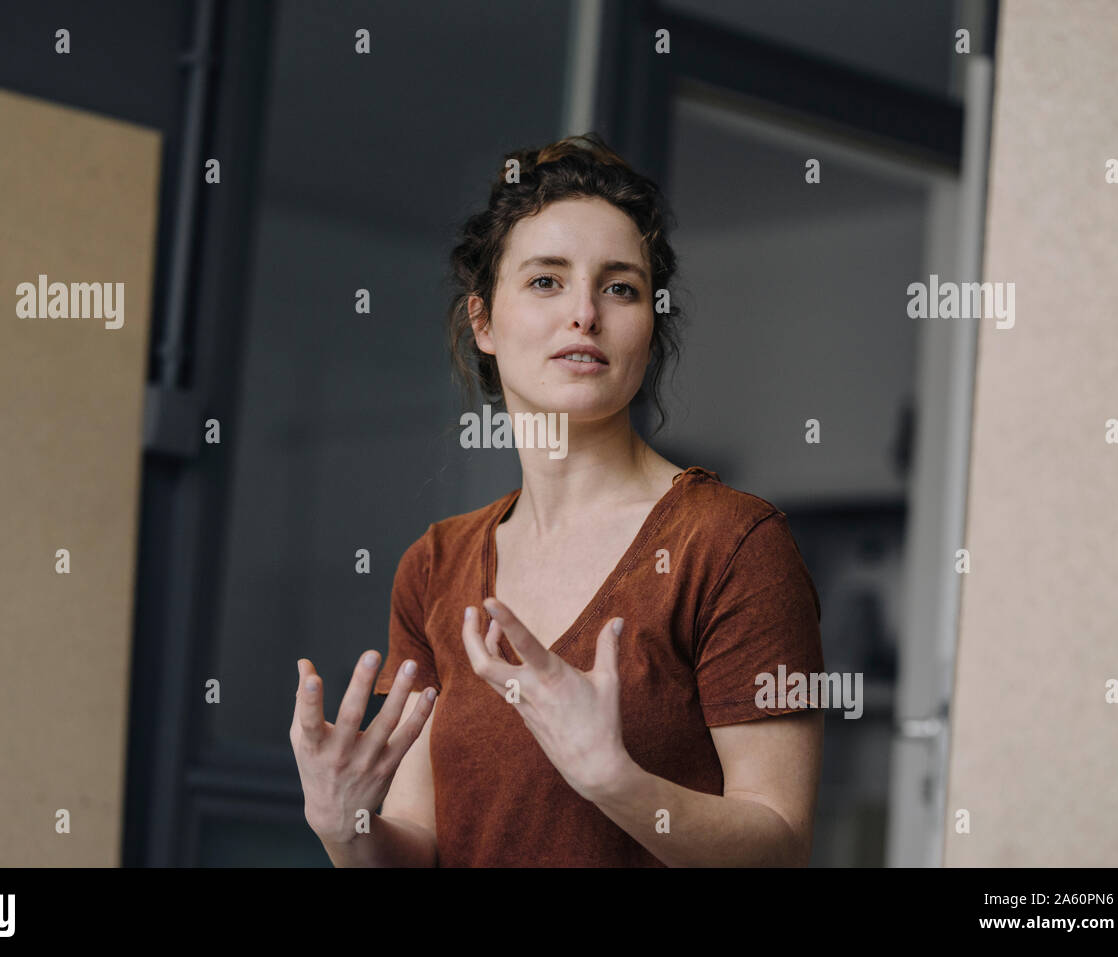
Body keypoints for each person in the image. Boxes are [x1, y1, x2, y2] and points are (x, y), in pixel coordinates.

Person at [289, 133, 825, 867]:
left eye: (620, 287)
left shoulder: (731, 544)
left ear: (649, 326)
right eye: (546, 280)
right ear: (483, 321)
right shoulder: (435, 565)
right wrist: (342, 825)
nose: (585, 313)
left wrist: (615, 780)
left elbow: (782, 846)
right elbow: (419, 845)